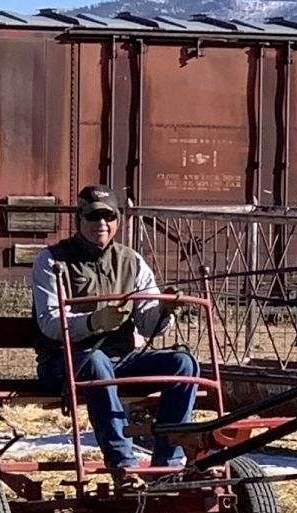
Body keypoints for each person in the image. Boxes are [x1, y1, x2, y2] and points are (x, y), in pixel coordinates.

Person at [31, 185, 199, 487]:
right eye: (93, 217)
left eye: (109, 216)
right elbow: (49, 322)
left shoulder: (132, 261)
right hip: (64, 362)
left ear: (118, 220)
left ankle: (168, 465)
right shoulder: (52, 260)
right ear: (79, 218)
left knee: (183, 363)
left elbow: (148, 325)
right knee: (96, 362)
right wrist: (94, 321)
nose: (102, 224)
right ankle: (123, 464)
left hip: (121, 360)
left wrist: (164, 309)